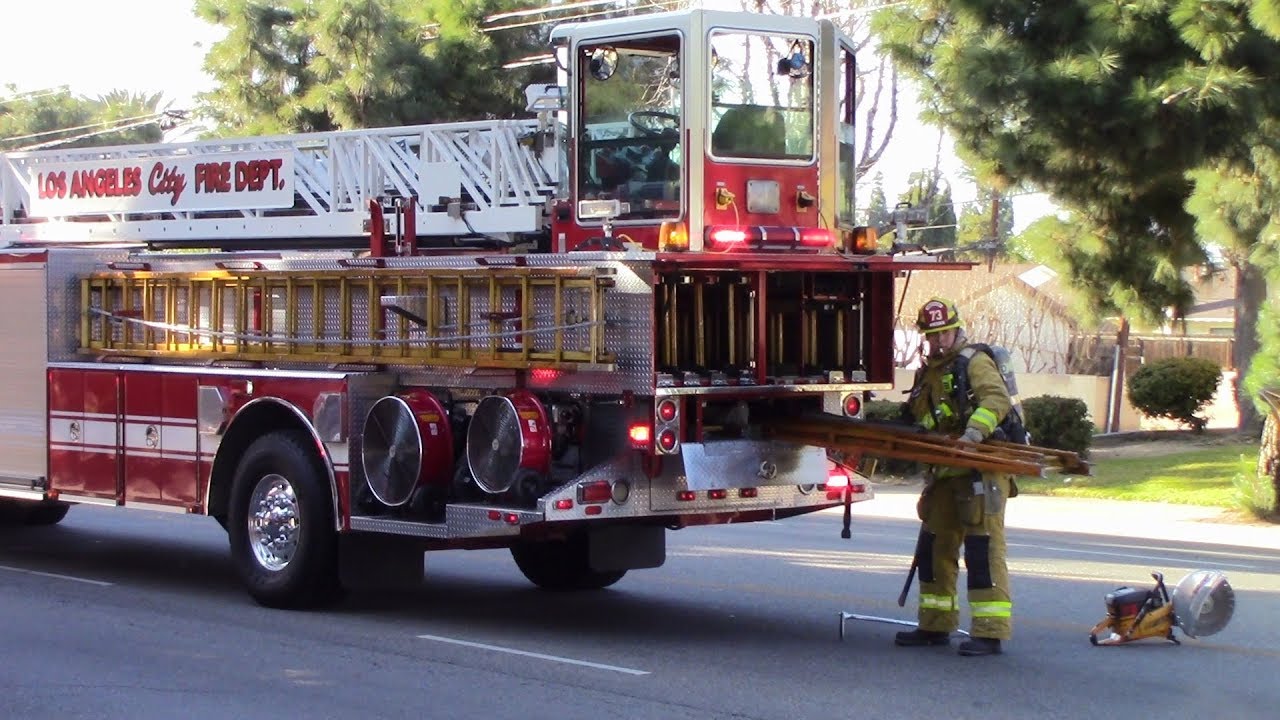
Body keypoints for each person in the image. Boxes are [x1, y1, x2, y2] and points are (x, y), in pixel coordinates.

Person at [894, 297, 1014, 657]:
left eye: (944, 333)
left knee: (982, 551)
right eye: (932, 335)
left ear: (957, 329)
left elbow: (996, 400)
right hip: (945, 473)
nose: (938, 341)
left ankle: (990, 632)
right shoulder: (928, 371)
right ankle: (934, 626)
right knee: (934, 549)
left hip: (980, 470)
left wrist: (973, 435)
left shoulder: (973, 362)